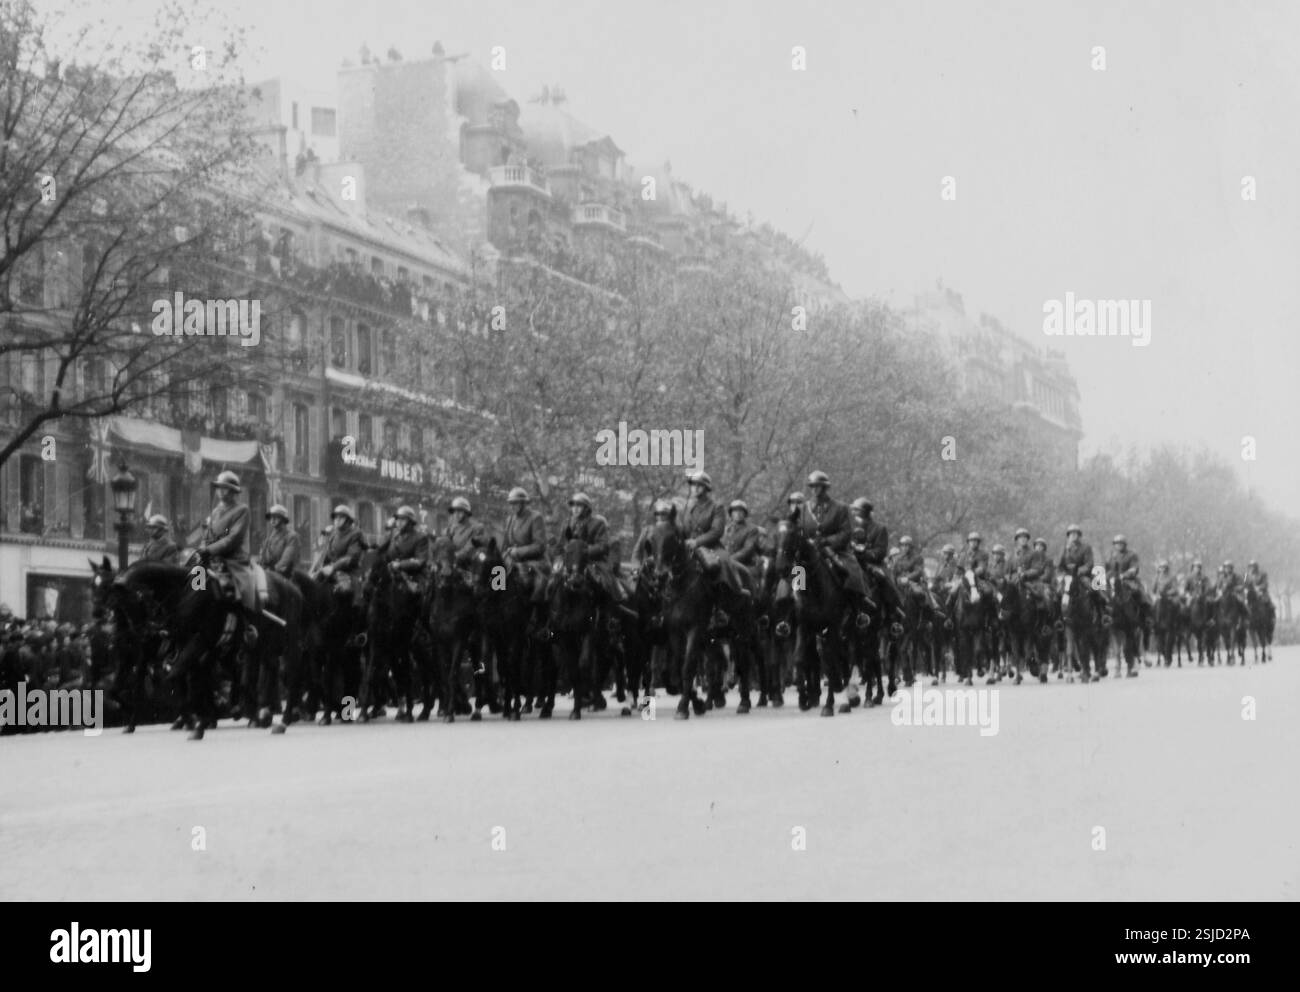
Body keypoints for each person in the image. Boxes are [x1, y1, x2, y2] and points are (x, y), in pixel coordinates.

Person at [797, 470, 869, 619]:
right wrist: (805, 543)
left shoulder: (840, 508)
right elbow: (799, 530)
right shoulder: (803, 508)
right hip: (809, 552)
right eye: (812, 486)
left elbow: (846, 532)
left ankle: (857, 610)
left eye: (817, 486)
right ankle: (789, 613)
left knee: (850, 572)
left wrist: (827, 541)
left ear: (824, 488)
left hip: (834, 551)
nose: (814, 489)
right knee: (795, 572)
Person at [551, 492, 626, 604]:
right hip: (569, 562)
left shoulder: (598, 523)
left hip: (593, 561)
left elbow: (603, 546)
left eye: (579, 505)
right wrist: (559, 559)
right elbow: (560, 547)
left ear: (586, 508)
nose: (575, 509)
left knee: (605, 584)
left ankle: (608, 612)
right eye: (573, 505)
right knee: (551, 584)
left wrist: (582, 552)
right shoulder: (567, 524)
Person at [196, 470, 253, 611]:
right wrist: (201, 548)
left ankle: (243, 623)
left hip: (233, 560)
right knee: (194, 583)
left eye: (224, 488)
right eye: (219, 488)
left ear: (233, 491)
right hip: (213, 559)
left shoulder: (242, 510)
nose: (220, 491)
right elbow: (207, 536)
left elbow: (233, 538)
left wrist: (209, 550)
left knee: (232, 593)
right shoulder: (215, 512)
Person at [501, 488, 550, 602]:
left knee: (532, 586)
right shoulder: (510, 520)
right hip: (513, 561)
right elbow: (505, 545)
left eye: (515, 503)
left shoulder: (535, 517)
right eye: (511, 503)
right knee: (496, 576)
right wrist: (504, 556)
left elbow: (540, 546)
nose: (512, 506)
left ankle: (534, 613)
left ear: (523, 503)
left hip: (535, 562)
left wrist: (517, 552)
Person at [315, 505, 367, 605]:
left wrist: (333, 567)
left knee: (346, 591)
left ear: (348, 520)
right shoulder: (333, 534)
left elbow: (350, 558)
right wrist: (320, 568)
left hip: (348, 572)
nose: (337, 520)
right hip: (329, 570)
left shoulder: (356, 534)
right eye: (336, 517)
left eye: (341, 517)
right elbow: (326, 553)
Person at [378, 505, 429, 583]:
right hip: (392, 578)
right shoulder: (394, 534)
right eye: (398, 519)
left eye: (403, 519)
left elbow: (419, 561)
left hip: (412, 579)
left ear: (410, 521)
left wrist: (400, 565)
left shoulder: (420, 537)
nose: (399, 522)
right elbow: (380, 551)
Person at [1107, 534, 1151, 620]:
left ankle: (1146, 617)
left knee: (1139, 593)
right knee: (1102, 593)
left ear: (1125, 544)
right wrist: (1107, 576)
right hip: (1114, 581)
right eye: (1117, 543)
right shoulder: (1112, 556)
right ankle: (1105, 616)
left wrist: (1123, 575)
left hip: (1129, 580)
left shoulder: (1131, 555)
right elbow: (1109, 569)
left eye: (1121, 543)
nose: (1119, 545)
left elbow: (1134, 568)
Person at [258, 505, 300, 579]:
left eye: (276, 517)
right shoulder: (268, 539)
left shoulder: (292, 536)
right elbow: (262, 558)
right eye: (271, 517)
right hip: (269, 574)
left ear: (283, 519)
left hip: (286, 576)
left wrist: (272, 570)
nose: (272, 520)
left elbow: (285, 561)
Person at [446, 496, 487, 567]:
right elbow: (445, 543)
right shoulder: (452, 527)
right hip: (451, 563)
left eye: (459, 511)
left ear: (466, 513)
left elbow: (470, 548)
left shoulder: (476, 528)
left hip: (468, 566)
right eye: (454, 511)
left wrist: (454, 556)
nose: (456, 514)